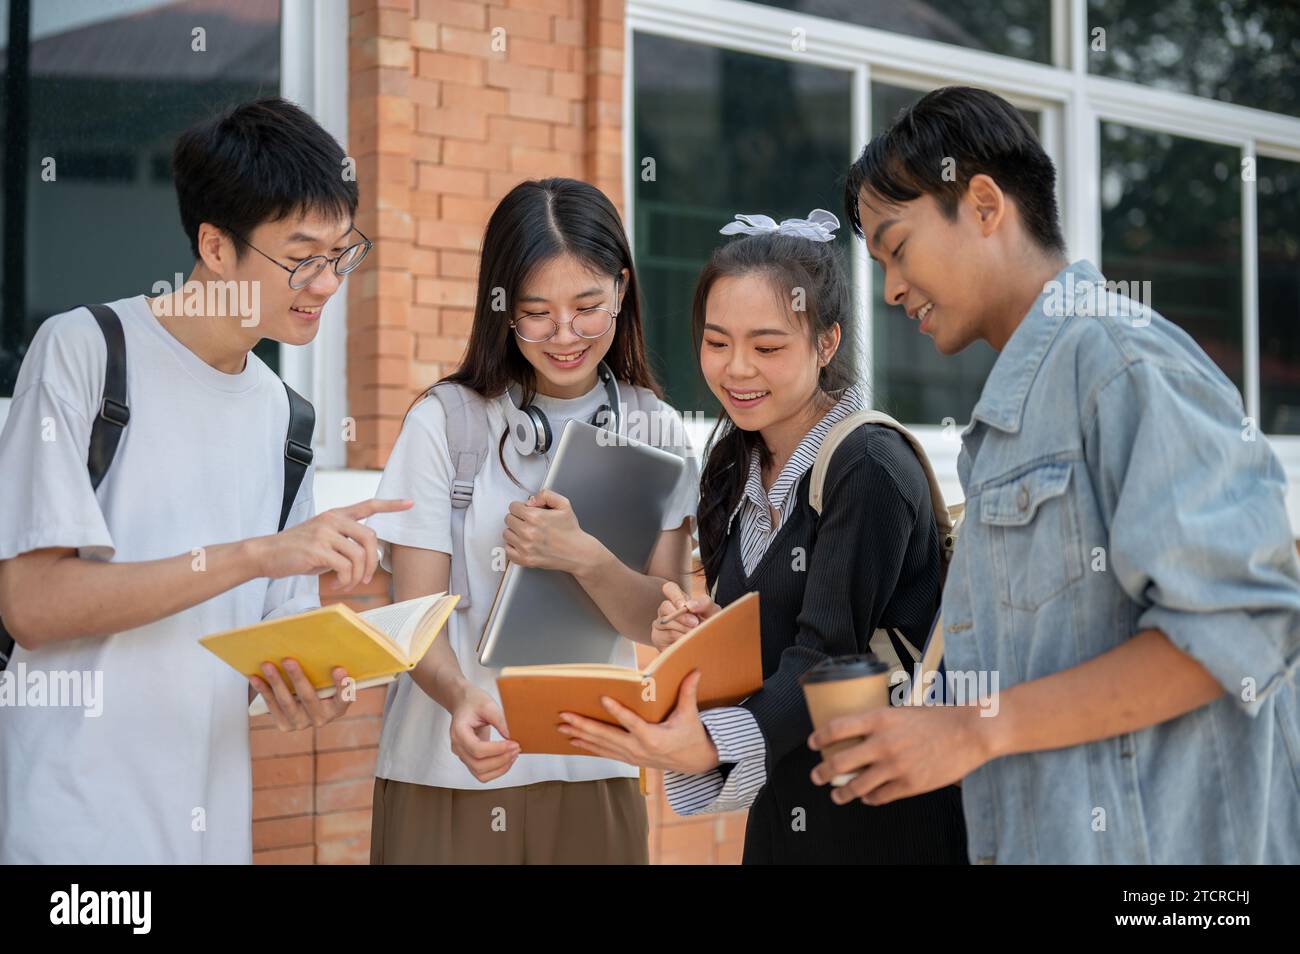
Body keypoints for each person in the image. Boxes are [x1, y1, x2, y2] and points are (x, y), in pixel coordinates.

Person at [815, 85, 1300, 863]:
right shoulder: (1017, 409)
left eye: (896, 248)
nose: (891, 288)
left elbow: (1243, 624)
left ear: (982, 204)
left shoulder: (1115, 360)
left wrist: (975, 729)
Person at [0, 97, 405, 864]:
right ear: (216, 248)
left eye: (341, 253)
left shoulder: (288, 421)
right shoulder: (87, 352)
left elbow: (257, 660)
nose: (326, 283)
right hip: (68, 833)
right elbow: (33, 605)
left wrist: (310, 678)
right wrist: (259, 554)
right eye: (301, 256)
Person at [558, 210, 968, 863]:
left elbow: (824, 654)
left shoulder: (867, 467)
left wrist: (707, 742)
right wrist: (705, 637)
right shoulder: (728, 471)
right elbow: (770, 654)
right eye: (717, 342)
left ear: (826, 344)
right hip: (785, 815)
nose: (736, 369)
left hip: (889, 822)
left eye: (768, 347)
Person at [365, 177, 700, 864]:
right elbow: (415, 618)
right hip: (450, 765)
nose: (566, 334)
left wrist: (585, 557)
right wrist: (460, 697)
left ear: (622, 290)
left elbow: (658, 622)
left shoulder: (654, 428)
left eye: (587, 306)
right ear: (501, 308)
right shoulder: (445, 424)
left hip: (593, 766)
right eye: (536, 312)